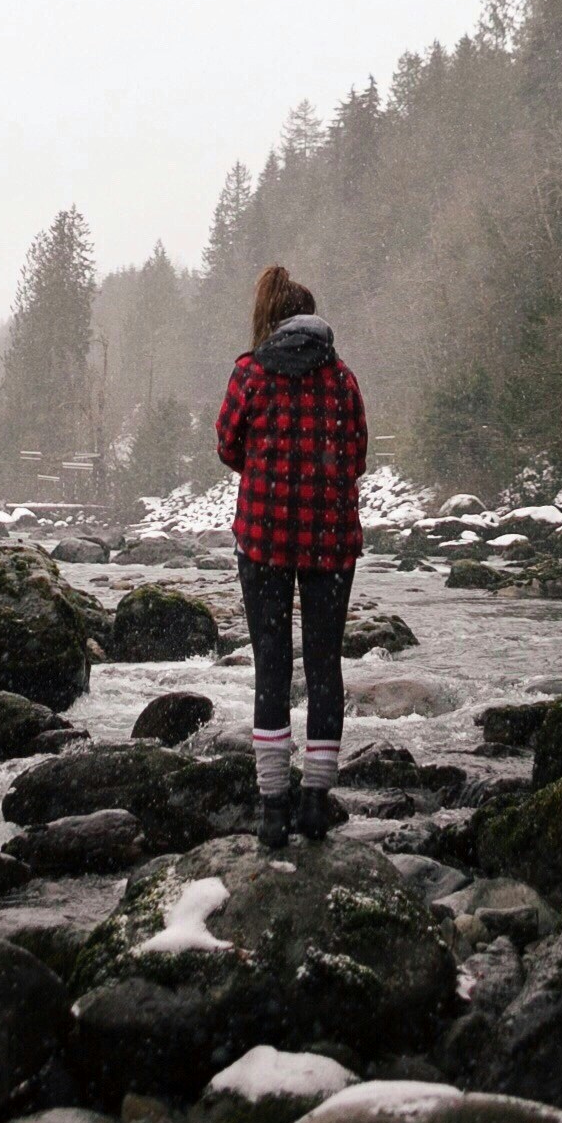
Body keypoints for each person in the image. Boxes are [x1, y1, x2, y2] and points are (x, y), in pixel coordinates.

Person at [214, 263, 368, 848]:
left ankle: (273, 810)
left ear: (272, 319)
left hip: (264, 539)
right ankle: (315, 805)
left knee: (271, 667)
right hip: (330, 541)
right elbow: (356, 456)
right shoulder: (342, 379)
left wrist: (269, 469)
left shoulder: (250, 374)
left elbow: (228, 445)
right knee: (325, 667)